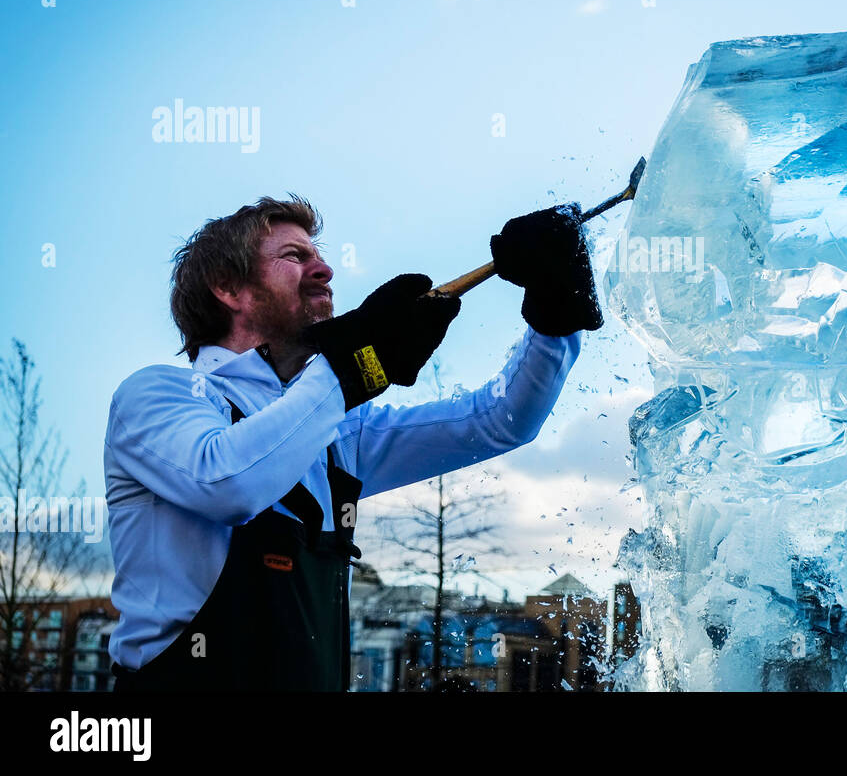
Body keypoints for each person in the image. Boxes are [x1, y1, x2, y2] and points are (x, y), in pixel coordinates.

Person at [105, 195, 602, 691]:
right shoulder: (157, 396)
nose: (323, 270)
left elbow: (498, 420)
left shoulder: (337, 428)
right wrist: (349, 367)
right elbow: (229, 482)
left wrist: (557, 314)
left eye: (318, 256)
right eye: (295, 257)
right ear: (228, 288)